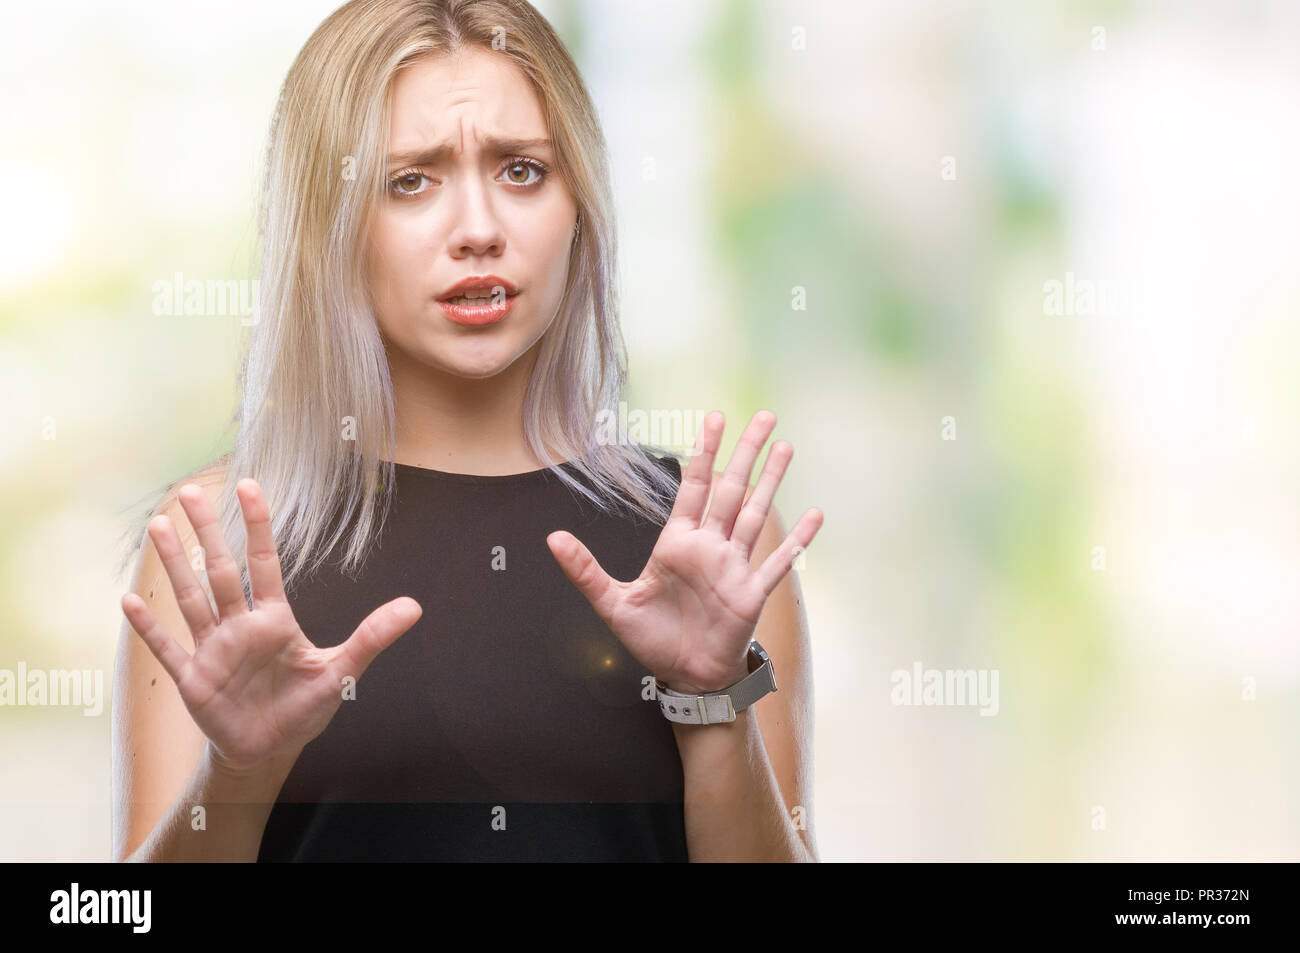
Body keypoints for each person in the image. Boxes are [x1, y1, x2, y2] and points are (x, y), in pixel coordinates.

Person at [111, 0, 822, 862]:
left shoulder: (707, 539)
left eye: (522, 170)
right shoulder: (214, 542)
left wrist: (710, 695)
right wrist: (237, 773)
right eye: (410, 179)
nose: (479, 230)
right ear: (326, 224)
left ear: (579, 206)